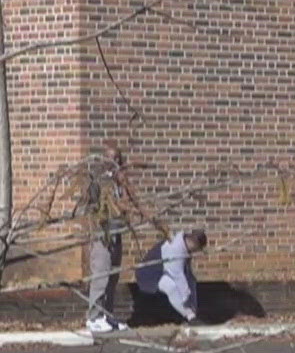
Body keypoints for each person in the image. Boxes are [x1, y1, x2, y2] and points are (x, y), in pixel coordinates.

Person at [81, 144, 131, 336]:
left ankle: (107, 315)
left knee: (113, 276)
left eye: (118, 159)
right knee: (101, 275)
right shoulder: (98, 182)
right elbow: (92, 207)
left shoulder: (120, 183)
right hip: (102, 235)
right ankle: (94, 318)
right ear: (104, 160)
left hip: (116, 233)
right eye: (111, 159)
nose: (115, 163)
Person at [135, 228, 207, 324]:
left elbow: (188, 278)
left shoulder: (183, 247)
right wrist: (186, 298)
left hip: (164, 271)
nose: (196, 251)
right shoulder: (175, 249)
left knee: (187, 281)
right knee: (170, 286)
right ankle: (191, 318)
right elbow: (177, 275)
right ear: (194, 243)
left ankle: (192, 316)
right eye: (197, 249)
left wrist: (192, 303)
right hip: (150, 274)